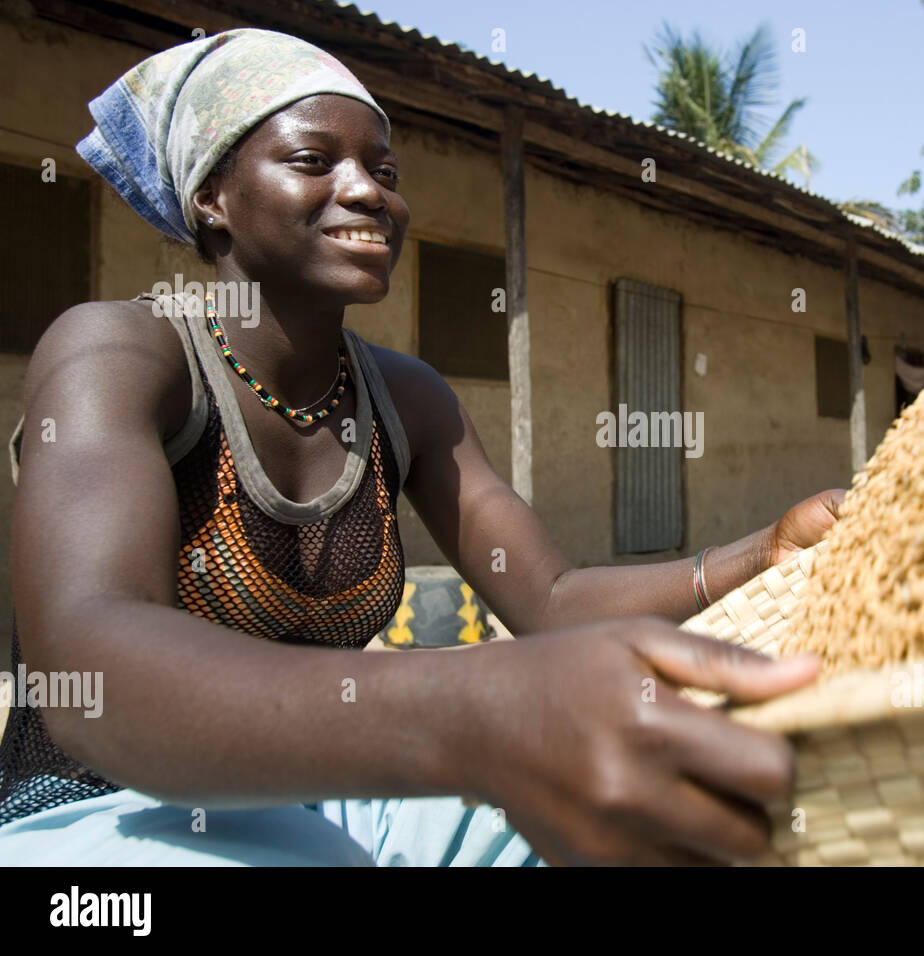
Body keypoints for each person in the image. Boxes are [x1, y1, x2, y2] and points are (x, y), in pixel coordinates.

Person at [0, 28, 843, 866]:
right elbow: (94, 658)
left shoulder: (407, 399)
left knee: (671, 814)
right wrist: (477, 705)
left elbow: (549, 599)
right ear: (213, 197)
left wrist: (755, 555)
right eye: (313, 161)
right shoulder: (118, 355)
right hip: (105, 815)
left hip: (326, 795)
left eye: (385, 171)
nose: (367, 192)